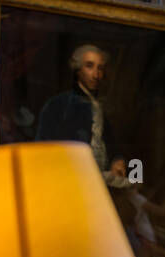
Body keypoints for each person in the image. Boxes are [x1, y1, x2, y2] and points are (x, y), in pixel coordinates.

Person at [36, 44, 114, 172]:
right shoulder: (58, 104)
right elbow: (42, 151)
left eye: (100, 68)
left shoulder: (99, 107)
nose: (96, 75)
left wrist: (117, 160)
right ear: (78, 70)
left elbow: (111, 143)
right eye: (89, 66)